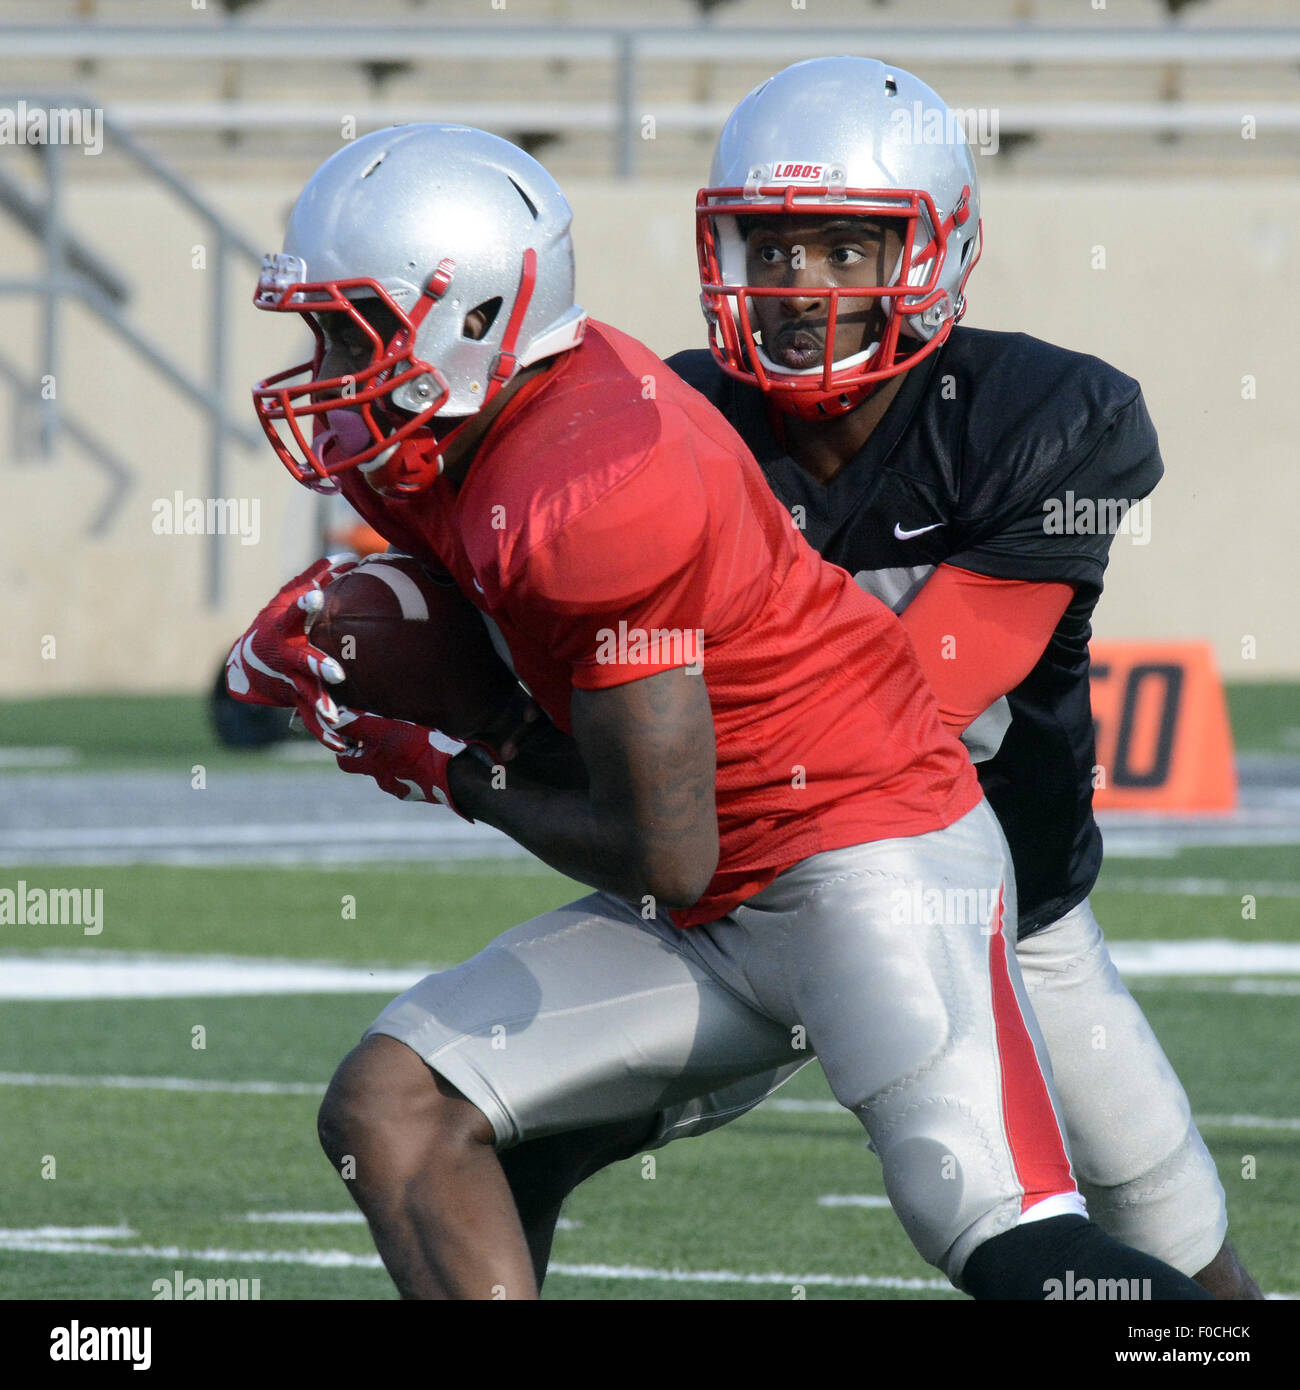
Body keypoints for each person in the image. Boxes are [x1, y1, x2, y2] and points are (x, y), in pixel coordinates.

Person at [228, 122, 1212, 1301]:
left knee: (1010, 1244)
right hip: (720, 893)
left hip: (867, 858)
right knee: (395, 1109)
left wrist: (442, 764)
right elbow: (508, 648)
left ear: (474, 318)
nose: (326, 362)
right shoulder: (445, 435)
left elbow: (665, 854)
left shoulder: (592, 483)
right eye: (319, 327)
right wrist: (337, 626)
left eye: (351, 328)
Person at [499, 56, 1256, 1300]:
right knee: (475, 1122)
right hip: (743, 902)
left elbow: (900, 708)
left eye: (849, 250)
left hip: (999, 898)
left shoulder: (1042, 415)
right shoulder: (673, 417)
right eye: (774, 249)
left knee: (1163, 1239)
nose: (801, 291)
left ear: (940, 247)